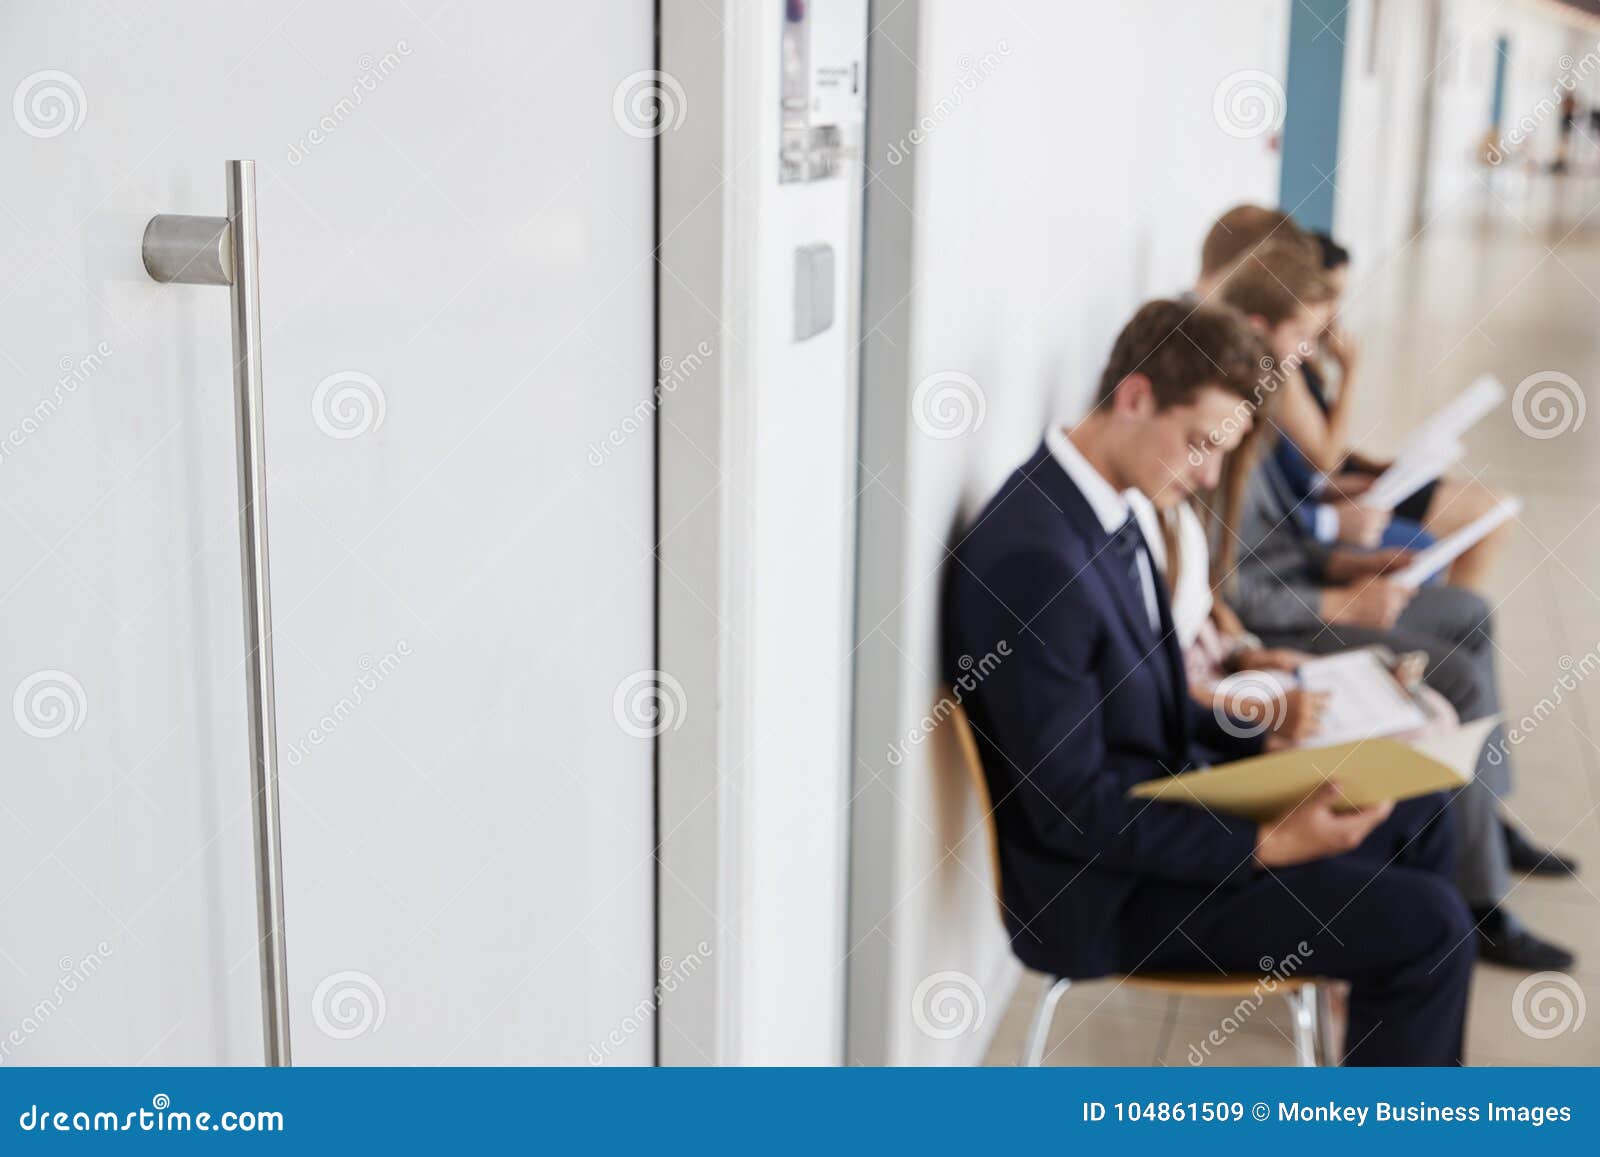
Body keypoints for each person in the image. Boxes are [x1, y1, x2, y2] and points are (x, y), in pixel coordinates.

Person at [943, 299, 1475, 1065]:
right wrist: (1267, 839)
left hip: (1165, 816)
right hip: (1107, 892)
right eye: (1199, 443)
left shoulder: (1107, 510)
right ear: (1135, 397)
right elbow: (1071, 811)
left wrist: (1265, 727)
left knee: (1420, 802)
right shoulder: (1037, 562)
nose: (1208, 475)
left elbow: (1147, 707)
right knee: (1429, 927)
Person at [1214, 244, 1578, 972]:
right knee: (1457, 676)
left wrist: (1351, 561)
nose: (1317, 350)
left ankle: (1486, 814)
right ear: (1260, 324)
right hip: (1280, 626)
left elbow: (1283, 534)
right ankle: (1480, 903)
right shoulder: (1220, 422)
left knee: (1467, 612)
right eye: (1306, 335)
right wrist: (1337, 594)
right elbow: (1232, 585)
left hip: (1306, 588)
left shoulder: (1257, 397)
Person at [1275, 230, 1511, 588]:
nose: (1335, 314)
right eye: (1330, 297)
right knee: (1491, 512)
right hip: (1336, 490)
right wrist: (1350, 374)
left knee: (1495, 508)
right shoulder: (1284, 366)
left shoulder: (1304, 357)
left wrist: (1375, 464)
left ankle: (1455, 609)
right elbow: (1325, 456)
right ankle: (1453, 609)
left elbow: (1318, 444)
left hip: (1350, 480)